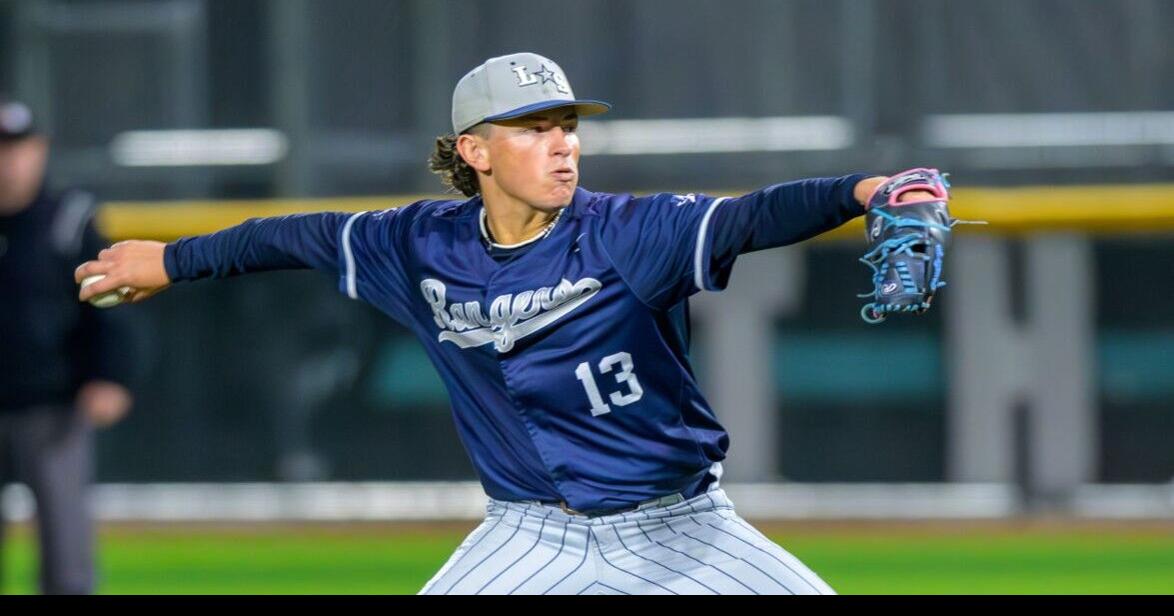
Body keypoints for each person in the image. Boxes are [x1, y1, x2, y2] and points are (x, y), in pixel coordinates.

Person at [76, 53, 935, 595]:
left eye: (566, 127)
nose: (563, 145)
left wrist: (861, 192)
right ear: (474, 152)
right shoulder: (415, 244)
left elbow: (756, 215)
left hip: (682, 533)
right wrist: (172, 261)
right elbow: (292, 235)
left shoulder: (633, 231)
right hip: (531, 536)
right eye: (534, 130)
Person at [0, 98, 134, 594]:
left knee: (65, 547)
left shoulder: (68, 219)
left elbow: (109, 304)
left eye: (17, 149)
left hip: (52, 404)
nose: (8, 162)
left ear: (39, 151)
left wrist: (110, 376)